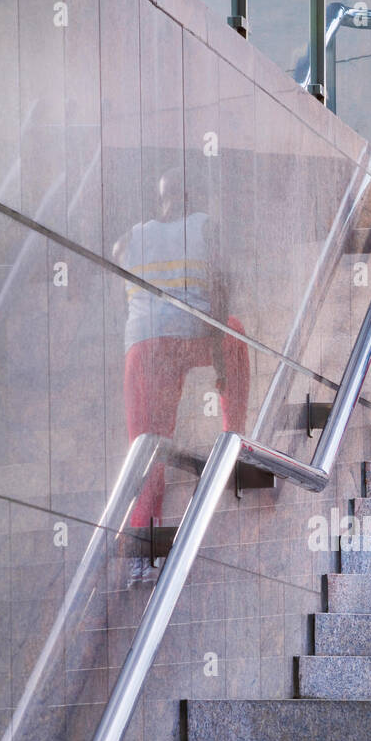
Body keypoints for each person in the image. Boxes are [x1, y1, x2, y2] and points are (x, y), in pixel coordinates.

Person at [114, 168, 250, 584]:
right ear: (192, 198)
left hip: (145, 348)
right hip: (192, 336)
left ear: (159, 201)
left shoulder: (128, 238)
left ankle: (141, 553)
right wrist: (220, 357)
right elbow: (222, 287)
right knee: (235, 337)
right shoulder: (206, 226)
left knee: (147, 443)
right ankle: (234, 443)